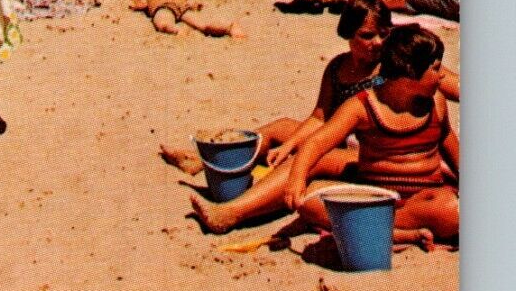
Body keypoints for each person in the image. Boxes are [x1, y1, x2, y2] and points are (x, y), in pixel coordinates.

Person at [193, 25, 458, 247]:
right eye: (436, 68)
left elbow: (451, 146)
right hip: (374, 193)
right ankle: (230, 213)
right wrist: (297, 180)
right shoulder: (362, 106)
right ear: (409, 74)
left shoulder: (436, 102)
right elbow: (317, 141)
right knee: (308, 202)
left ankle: (381, 228)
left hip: (423, 197)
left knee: (449, 211)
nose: (443, 75)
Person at [161, 0, 390, 180]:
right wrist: (289, 144)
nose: (377, 43)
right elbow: (318, 118)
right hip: (330, 137)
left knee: (302, 161)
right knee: (279, 128)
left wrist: (299, 147)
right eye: (368, 36)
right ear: (348, 34)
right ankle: (203, 162)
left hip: (360, 151)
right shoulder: (337, 66)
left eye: (383, 34)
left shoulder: (386, 70)